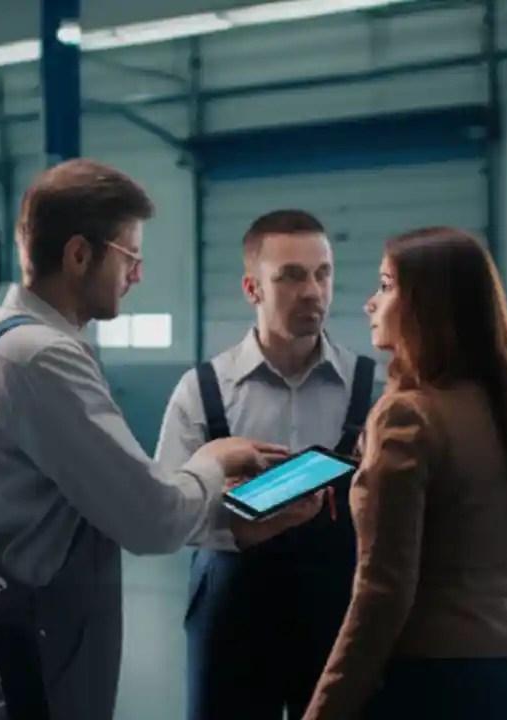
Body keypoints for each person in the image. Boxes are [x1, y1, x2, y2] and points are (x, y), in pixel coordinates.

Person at [0, 159, 324, 720]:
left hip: (25, 631)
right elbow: (151, 519)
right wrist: (214, 461)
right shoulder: (42, 357)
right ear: (79, 255)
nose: (138, 274)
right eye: (130, 256)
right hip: (37, 644)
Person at [303, 226, 507, 719]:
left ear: (428, 305)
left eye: (386, 285)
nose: (370, 304)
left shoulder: (408, 416)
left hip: (433, 683)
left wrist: (322, 712)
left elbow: (383, 591)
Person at [155, 209, 378, 720]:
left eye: (323, 273)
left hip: (336, 610)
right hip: (230, 610)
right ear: (252, 288)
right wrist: (234, 525)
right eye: (291, 276)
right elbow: (165, 512)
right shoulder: (202, 391)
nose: (313, 291)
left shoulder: (372, 388)